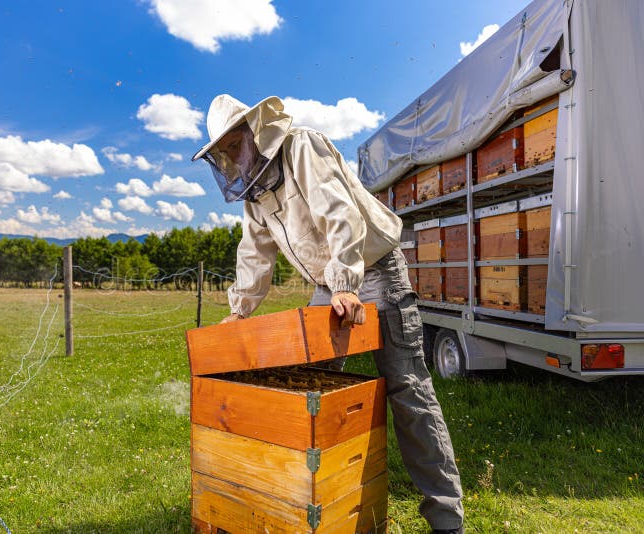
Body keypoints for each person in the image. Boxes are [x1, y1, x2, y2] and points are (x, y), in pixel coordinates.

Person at [192, 94, 464, 533]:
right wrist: (238, 313)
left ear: (255, 132)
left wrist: (345, 285)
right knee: (310, 393)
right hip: (328, 284)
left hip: (373, 271)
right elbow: (255, 253)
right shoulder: (255, 193)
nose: (230, 157)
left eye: (233, 144)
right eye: (222, 152)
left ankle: (446, 518)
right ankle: (309, 505)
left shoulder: (303, 147)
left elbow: (342, 215)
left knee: (407, 388)